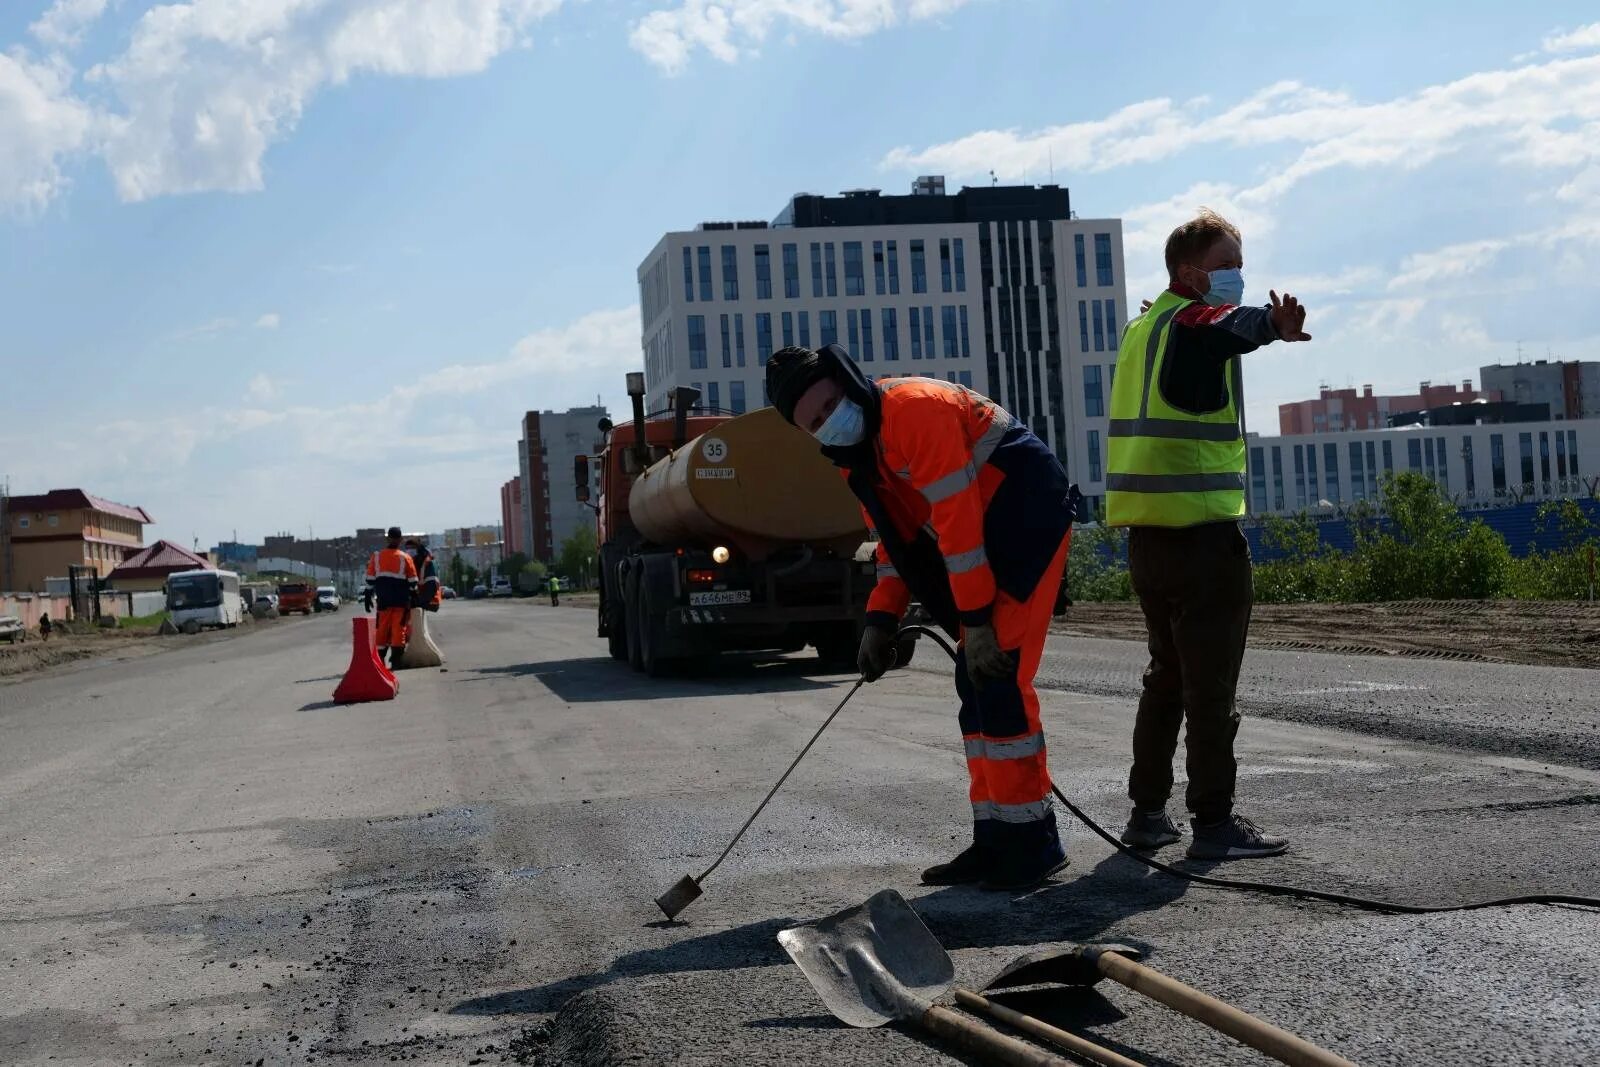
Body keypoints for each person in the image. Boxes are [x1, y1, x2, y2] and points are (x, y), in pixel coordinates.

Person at [767, 344, 1077, 892]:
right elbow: (899, 545)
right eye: (815, 422)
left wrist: (977, 623)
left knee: (998, 676)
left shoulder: (916, 411)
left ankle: (1034, 847)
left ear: (850, 382)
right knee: (973, 682)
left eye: (831, 404)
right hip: (985, 539)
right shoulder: (859, 461)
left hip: (1028, 517)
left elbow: (958, 528)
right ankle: (996, 841)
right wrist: (879, 621)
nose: (828, 422)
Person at [1107, 208, 1310, 861]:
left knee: (1165, 677)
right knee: (1209, 687)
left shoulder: (1143, 327)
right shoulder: (1192, 320)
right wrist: (1272, 327)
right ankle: (1215, 821)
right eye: (1226, 266)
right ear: (1190, 273)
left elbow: (1204, 321)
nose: (1238, 278)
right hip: (1200, 543)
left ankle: (1146, 813)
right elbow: (1222, 323)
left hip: (1147, 543)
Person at [365, 527, 418, 668]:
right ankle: (396, 661)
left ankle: (380, 661)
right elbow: (413, 581)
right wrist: (414, 595)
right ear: (400, 540)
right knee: (398, 630)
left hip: (384, 600)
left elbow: (370, 579)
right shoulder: (405, 558)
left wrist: (367, 595)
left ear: (387, 539)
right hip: (401, 601)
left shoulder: (376, 557)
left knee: (382, 630)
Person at [406, 537, 442, 613]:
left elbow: (431, 587)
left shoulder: (427, 563)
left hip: (430, 600)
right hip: (423, 599)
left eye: (412, 548)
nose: (409, 551)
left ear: (417, 548)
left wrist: (415, 602)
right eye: (407, 548)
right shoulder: (415, 562)